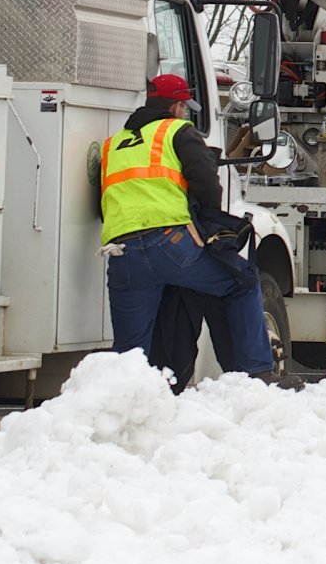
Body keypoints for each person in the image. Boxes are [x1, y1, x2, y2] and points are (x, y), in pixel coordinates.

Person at [99, 72, 275, 381]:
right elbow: (207, 182)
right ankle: (256, 371)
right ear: (175, 107)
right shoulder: (178, 131)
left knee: (129, 353)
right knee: (242, 282)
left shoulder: (113, 144)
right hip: (170, 243)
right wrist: (210, 226)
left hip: (121, 251)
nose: (184, 112)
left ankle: (125, 403)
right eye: (184, 107)